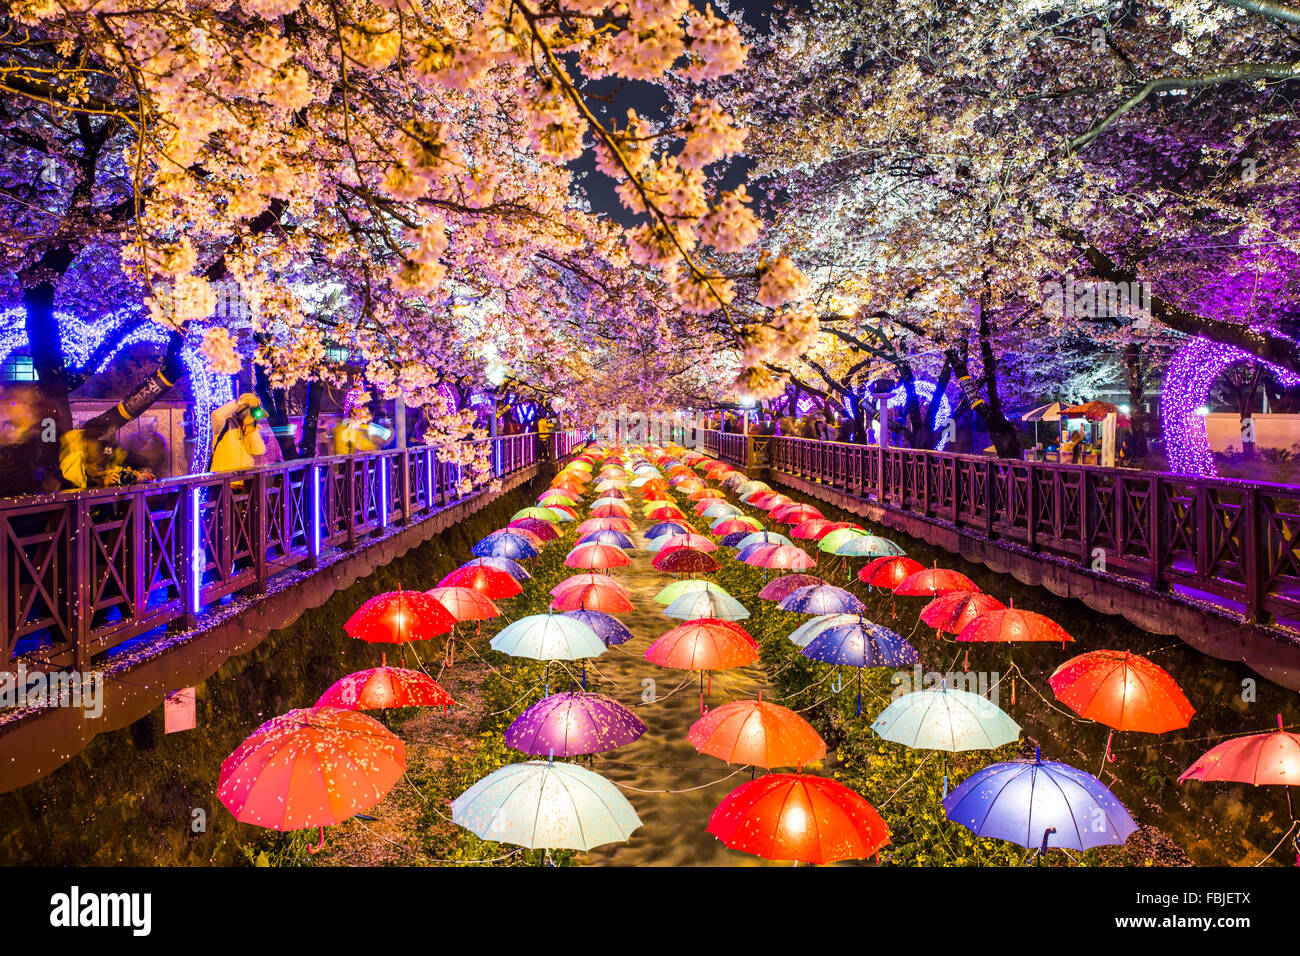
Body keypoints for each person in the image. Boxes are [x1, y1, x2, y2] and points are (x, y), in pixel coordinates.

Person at [210, 393, 267, 473]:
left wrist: (250, 428)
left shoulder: (251, 428)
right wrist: (238, 403)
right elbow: (216, 415)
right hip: (223, 478)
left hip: (243, 479)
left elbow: (259, 450)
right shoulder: (224, 424)